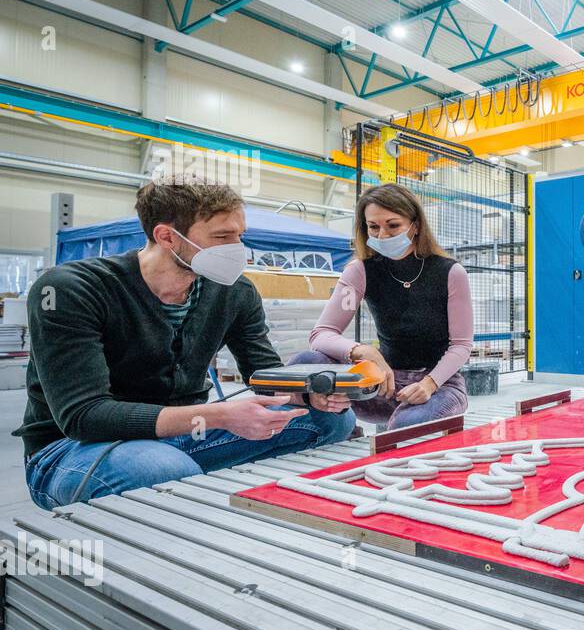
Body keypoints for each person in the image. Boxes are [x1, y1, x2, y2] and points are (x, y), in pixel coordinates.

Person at [17, 179, 357, 510]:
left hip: (184, 438)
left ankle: (181, 482)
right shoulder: (72, 290)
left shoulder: (234, 293)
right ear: (167, 236)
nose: (236, 249)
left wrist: (307, 394)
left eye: (239, 236)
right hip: (77, 448)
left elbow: (263, 375)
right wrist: (220, 416)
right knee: (162, 470)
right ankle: (179, 484)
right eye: (222, 237)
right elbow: (85, 417)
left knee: (331, 421)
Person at [289, 183, 472, 429]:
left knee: (407, 425)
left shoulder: (450, 272)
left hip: (439, 386)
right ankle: (335, 428)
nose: (382, 235)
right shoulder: (359, 271)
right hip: (382, 382)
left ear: (415, 225)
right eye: (373, 227)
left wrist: (429, 384)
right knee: (305, 362)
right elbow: (321, 334)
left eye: (393, 225)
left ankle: (399, 426)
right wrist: (364, 352)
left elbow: (461, 345)